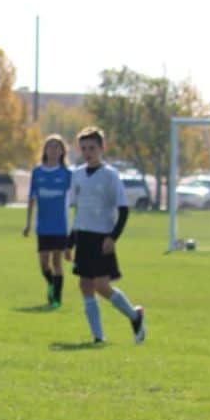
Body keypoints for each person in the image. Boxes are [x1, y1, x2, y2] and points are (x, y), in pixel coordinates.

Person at [68, 127, 146, 344]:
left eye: (92, 148)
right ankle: (98, 336)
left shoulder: (110, 175)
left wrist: (113, 237)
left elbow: (123, 209)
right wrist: (70, 241)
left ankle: (134, 316)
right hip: (83, 236)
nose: (87, 152)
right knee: (85, 285)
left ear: (102, 148)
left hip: (101, 238)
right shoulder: (77, 175)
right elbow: (79, 210)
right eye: (84, 148)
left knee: (102, 286)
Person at [23, 135, 73, 308]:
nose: (53, 150)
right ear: (44, 150)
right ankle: (52, 284)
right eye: (50, 147)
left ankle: (56, 299)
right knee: (43, 262)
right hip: (43, 225)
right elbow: (31, 198)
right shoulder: (37, 172)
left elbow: (74, 198)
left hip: (60, 225)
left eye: (57, 147)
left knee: (57, 262)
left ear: (62, 152)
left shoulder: (67, 174)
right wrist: (28, 223)